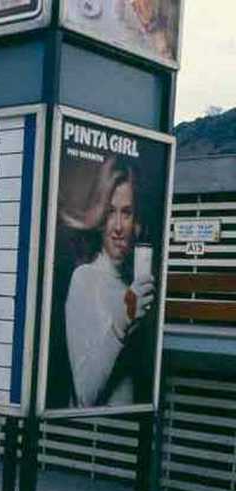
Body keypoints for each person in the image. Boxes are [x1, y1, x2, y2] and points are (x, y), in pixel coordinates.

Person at [63, 156, 155, 409]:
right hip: (91, 439)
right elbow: (84, 396)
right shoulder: (85, 279)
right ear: (100, 218)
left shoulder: (136, 284)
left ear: (137, 222)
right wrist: (122, 321)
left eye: (126, 213)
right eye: (109, 212)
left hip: (125, 434)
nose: (117, 227)